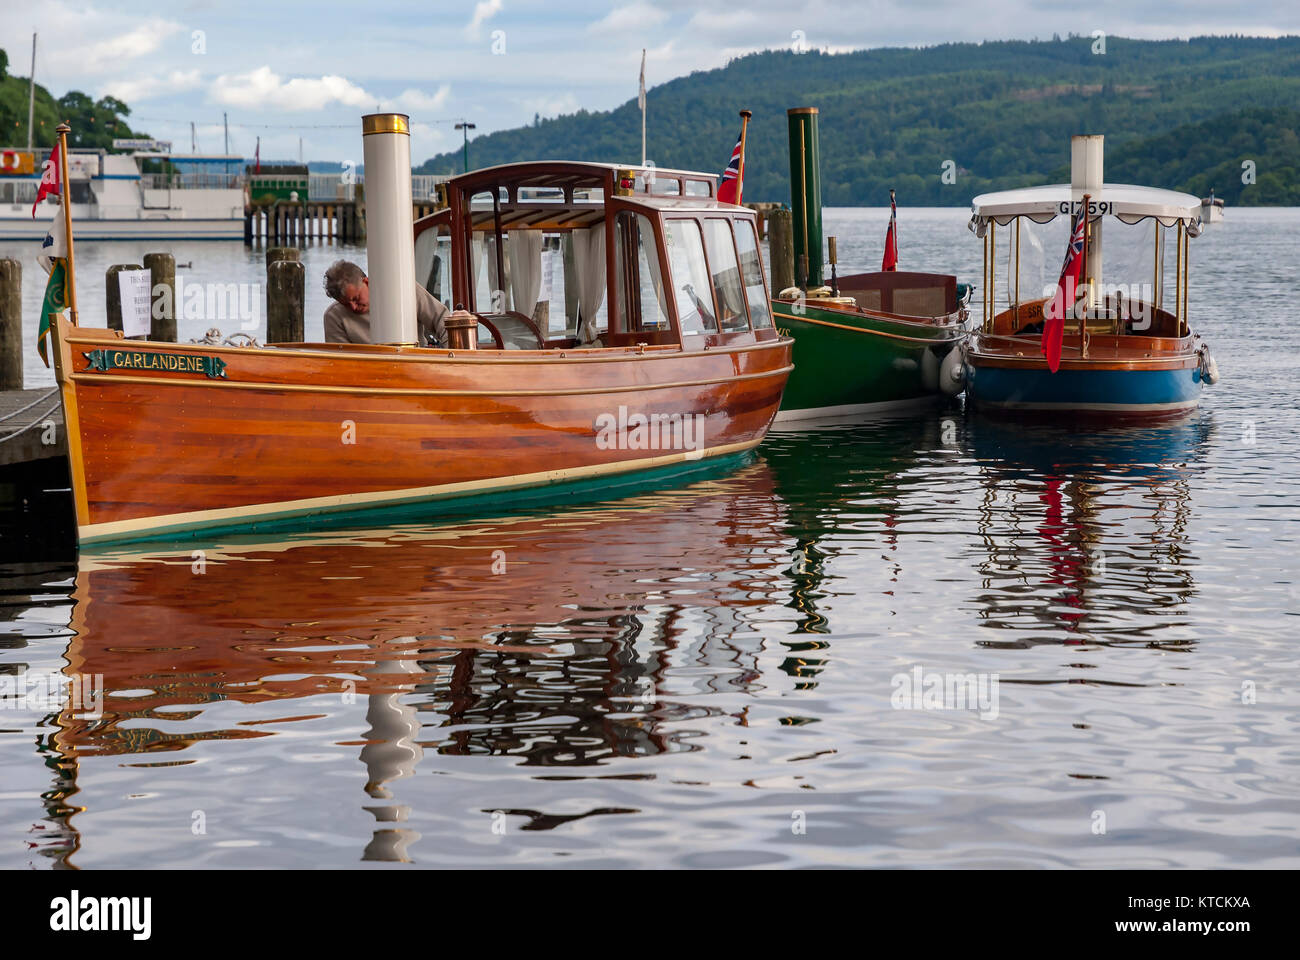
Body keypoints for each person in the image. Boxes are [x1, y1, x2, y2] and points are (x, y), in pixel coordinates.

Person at [323, 260, 448, 346]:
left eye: (356, 298)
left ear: (366, 282)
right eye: (345, 304)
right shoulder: (333, 317)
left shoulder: (404, 291)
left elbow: (442, 320)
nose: (353, 307)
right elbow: (342, 361)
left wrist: (452, 358)